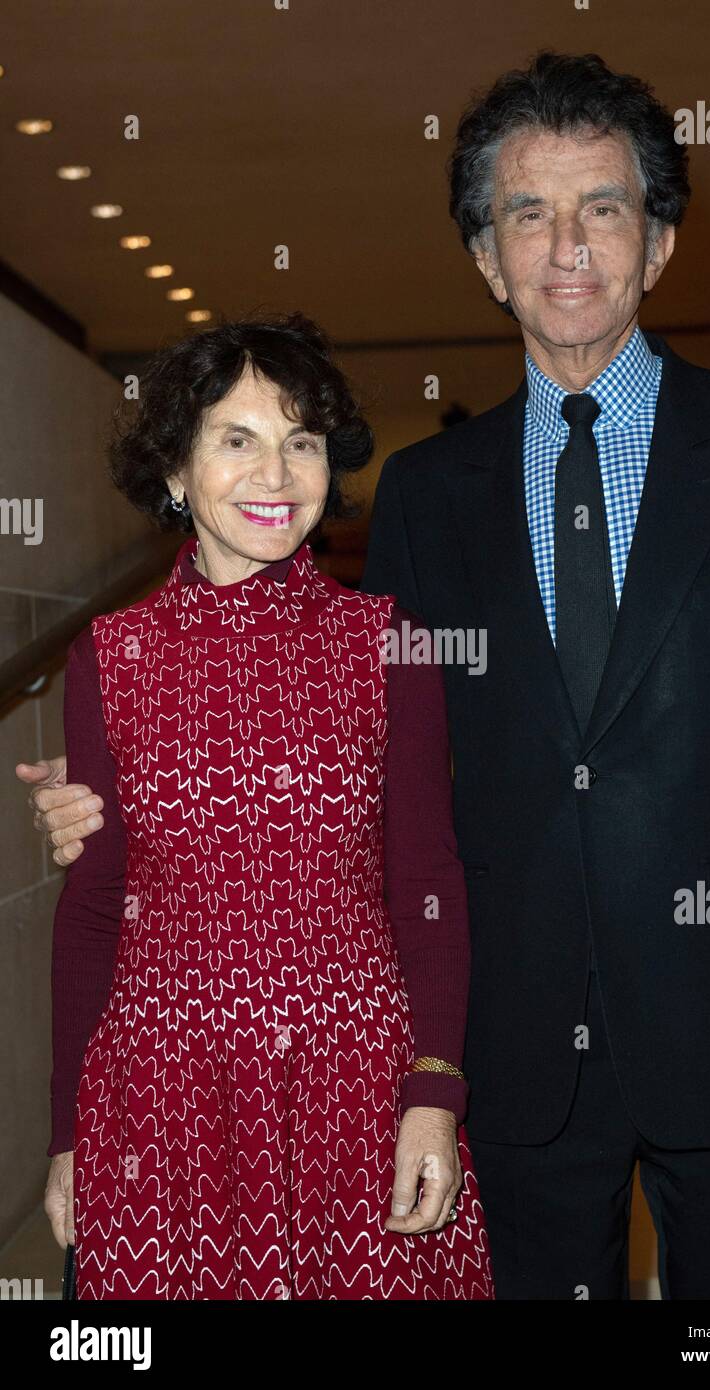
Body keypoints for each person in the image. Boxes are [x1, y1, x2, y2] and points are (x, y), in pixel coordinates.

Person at [22, 50, 710, 1300]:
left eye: (603, 207)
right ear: (484, 258)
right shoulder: (429, 493)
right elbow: (375, 766)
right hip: (511, 1048)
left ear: (661, 241)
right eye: (527, 211)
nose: (566, 244)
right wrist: (112, 807)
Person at [20, 312, 494, 1300]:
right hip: (164, 1104)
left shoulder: (387, 641)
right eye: (237, 440)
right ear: (175, 471)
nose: (277, 474)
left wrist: (433, 1092)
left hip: (355, 1092)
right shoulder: (109, 659)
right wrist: (68, 1135)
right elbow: (96, 902)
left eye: (301, 440)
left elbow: (426, 879)